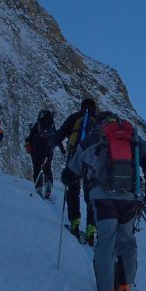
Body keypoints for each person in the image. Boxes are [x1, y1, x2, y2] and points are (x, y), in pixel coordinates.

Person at [65, 107, 146, 291]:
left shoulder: (94, 137)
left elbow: (73, 168)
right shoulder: (131, 136)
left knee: (106, 243)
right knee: (126, 241)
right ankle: (125, 286)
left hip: (103, 199)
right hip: (128, 199)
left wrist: (67, 178)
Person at [55, 97, 99, 244]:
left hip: (75, 157)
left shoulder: (74, 117)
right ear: (94, 108)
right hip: (92, 162)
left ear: (82, 106)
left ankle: (74, 223)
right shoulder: (98, 121)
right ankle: (91, 230)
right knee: (91, 194)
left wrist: (53, 144)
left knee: (73, 190)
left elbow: (60, 134)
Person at [24, 108, 65, 198]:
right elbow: (57, 138)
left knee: (37, 168)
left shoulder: (37, 124)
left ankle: (39, 187)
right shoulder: (52, 125)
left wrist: (28, 143)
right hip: (48, 150)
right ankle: (48, 184)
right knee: (47, 168)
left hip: (36, 150)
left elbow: (30, 137)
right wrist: (62, 149)